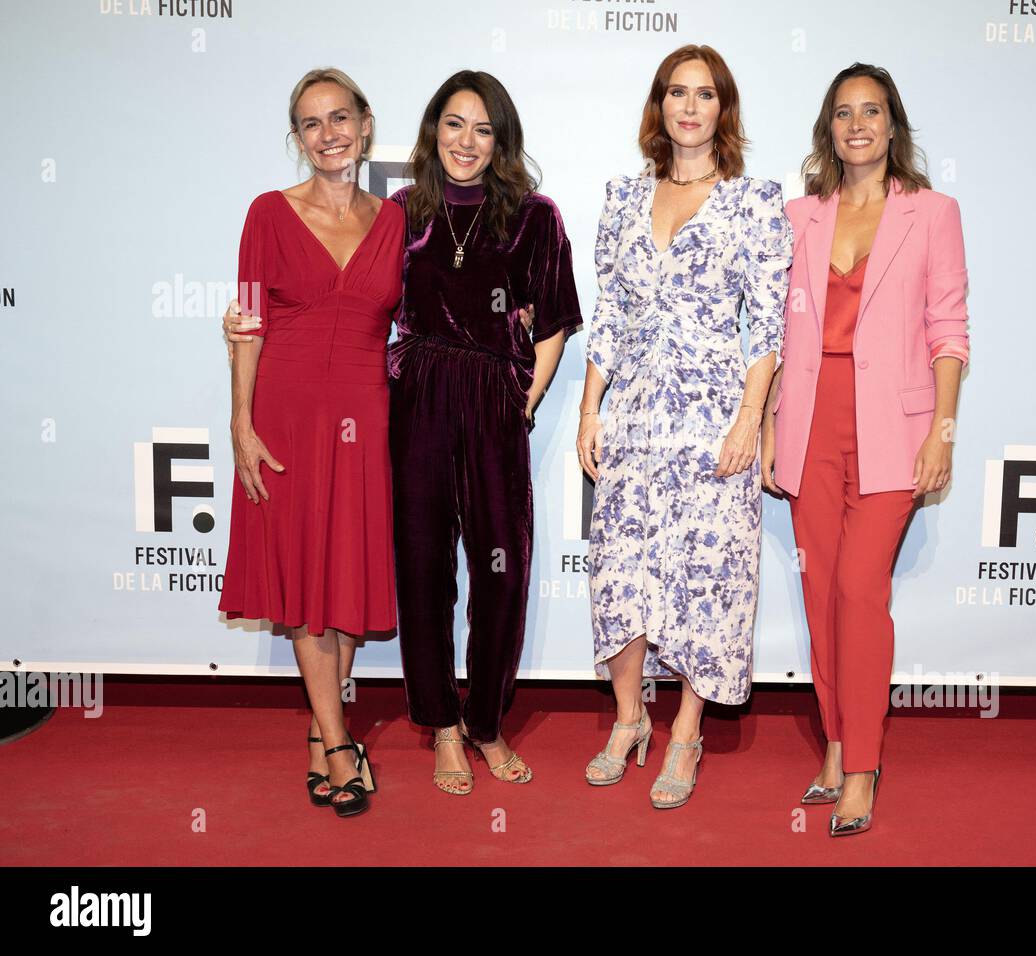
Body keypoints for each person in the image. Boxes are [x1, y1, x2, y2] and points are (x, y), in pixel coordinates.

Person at [577, 45, 792, 808]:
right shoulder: (622, 197)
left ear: (724, 109)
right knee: (621, 569)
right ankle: (630, 719)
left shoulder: (755, 201)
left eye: (705, 94)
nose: (690, 106)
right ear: (659, 105)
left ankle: (687, 734)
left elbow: (766, 328)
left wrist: (749, 422)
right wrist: (587, 406)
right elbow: (609, 312)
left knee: (708, 579)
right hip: (633, 414)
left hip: (712, 421)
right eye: (677, 92)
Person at [762, 63, 970, 836]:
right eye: (844, 112)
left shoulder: (933, 212)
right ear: (830, 127)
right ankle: (836, 740)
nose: (858, 125)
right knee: (820, 597)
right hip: (812, 425)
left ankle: (861, 769)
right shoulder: (796, 216)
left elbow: (949, 329)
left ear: (893, 125)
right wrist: (768, 427)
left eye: (872, 111)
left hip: (894, 427)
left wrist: (942, 431)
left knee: (858, 588)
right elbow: (776, 337)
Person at [386, 71, 582, 794]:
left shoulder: (534, 217)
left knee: (502, 570)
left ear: (501, 139)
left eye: (483, 129)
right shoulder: (402, 213)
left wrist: (523, 401)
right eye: (454, 125)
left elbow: (557, 320)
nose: (466, 142)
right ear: (433, 129)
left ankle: (486, 724)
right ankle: (441, 726)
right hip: (420, 395)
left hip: (495, 397)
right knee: (423, 566)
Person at [219, 67, 402, 818]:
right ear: (297, 139)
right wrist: (240, 421)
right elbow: (250, 319)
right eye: (309, 123)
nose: (327, 134)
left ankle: (324, 729)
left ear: (364, 125)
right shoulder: (268, 213)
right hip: (287, 416)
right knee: (302, 578)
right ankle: (336, 740)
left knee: (345, 574)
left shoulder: (395, 222)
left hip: (365, 414)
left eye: (338, 118)